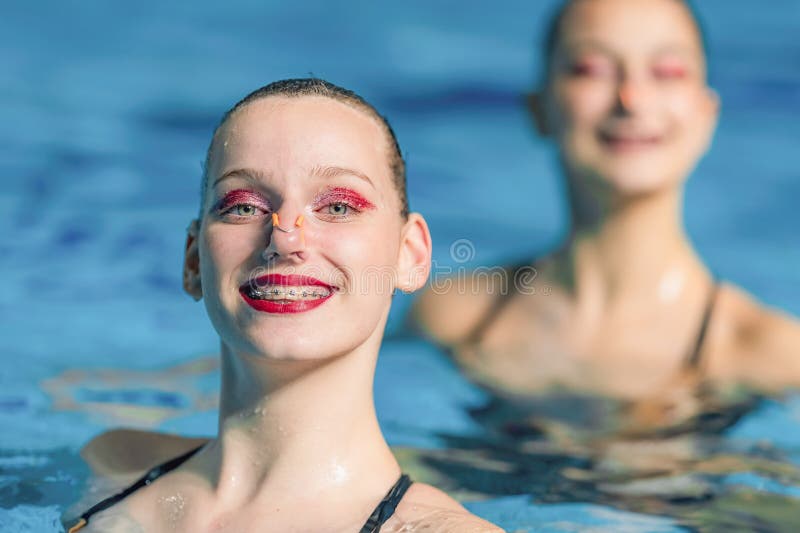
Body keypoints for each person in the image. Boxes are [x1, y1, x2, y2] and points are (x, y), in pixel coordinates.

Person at [64, 79, 501, 532]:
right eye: (243, 206)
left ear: (410, 255)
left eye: (337, 207)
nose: (284, 239)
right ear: (194, 260)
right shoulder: (113, 468)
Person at [414, 0, 800, 403]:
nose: (632, 98)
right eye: (592, 69)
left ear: (707, 117)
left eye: (667, 72)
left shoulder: (773, 359)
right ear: (539, 110)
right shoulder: (455, 318)